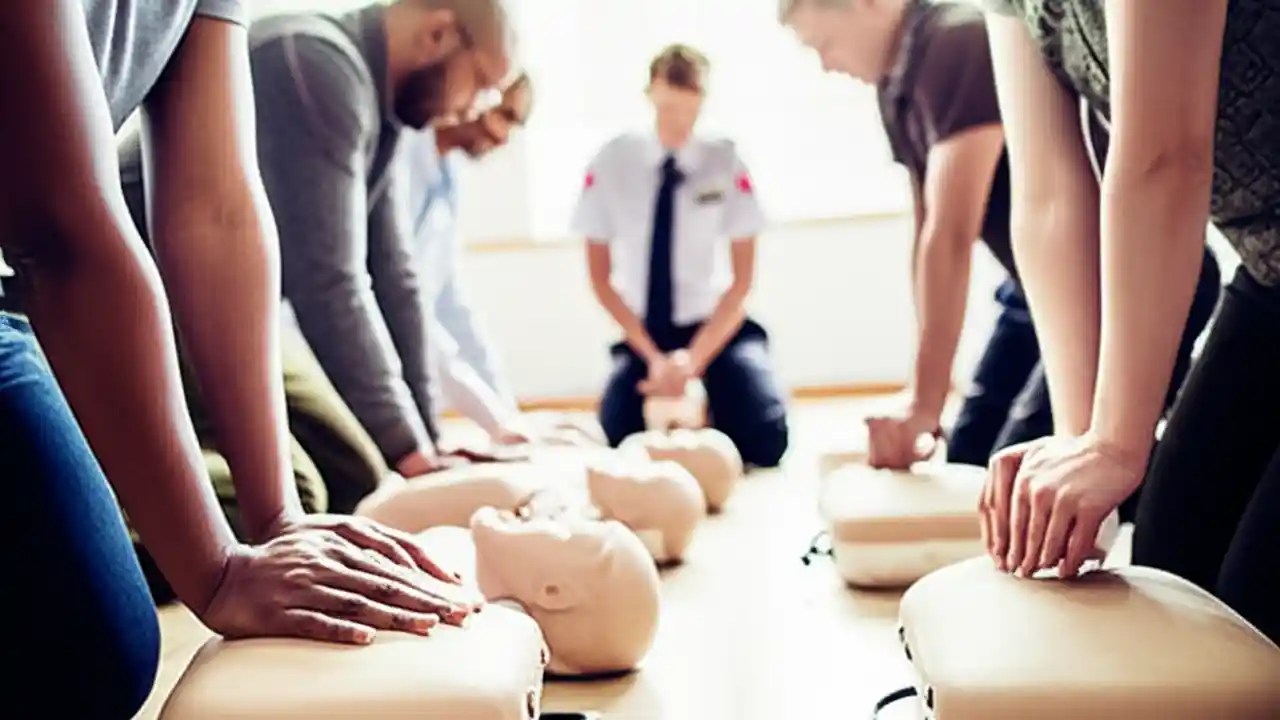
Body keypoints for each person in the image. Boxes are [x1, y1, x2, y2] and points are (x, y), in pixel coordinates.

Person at [0, 2, 475, 717]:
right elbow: (58, 231)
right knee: (83, 644)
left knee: (94, 650)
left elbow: (215, 207)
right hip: (54, 271)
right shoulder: (317, 65)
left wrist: (276, 518)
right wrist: (216, 569)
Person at [777, 0, 1220, 475]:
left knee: (1030, 477)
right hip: (1033, 294)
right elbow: (927, 231)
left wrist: (925, 404)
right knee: (970, 459)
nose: (826, 64)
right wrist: (922, 392)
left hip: (1119, 286)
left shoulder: (955, 41)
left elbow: (951, 235)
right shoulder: (895, 84)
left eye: (824, 44)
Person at [976, 0, 1280, 644]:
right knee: (1177, 558)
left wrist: (1118, 442)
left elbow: (1165, 154)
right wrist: (1077, 439)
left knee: (1260, 598)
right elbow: (1049, 196)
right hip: (1270, 269)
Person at [118, 0, 518, 484]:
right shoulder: (313, 62)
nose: (473, 109)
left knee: (360, 464)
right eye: (481, 85)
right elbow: (330, 282)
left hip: (209, 310)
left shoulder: (376, 101)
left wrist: (424, 440)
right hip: (140, 299)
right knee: (327, 478)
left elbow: (395, 277)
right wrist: (410, 456)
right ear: (439, 34)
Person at [573, 44, 790, 468]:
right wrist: (655, 359)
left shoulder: (725, 160)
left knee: (766, 439)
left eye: (688, 108)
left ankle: (711, 414)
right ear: (650, 94)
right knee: (615, 435)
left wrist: (693, 361)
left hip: (713, 329)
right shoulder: (613, 160)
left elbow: (742, 282)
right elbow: (600, 279)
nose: (677, 120)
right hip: (645, 334)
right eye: (668, 107)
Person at [398, 73, 535, 447]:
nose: (504, 136)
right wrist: (490, 418)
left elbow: (449, 305)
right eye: (504, 115)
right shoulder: (399, 157)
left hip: (410, 367)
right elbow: (399, 301)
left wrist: (507, 415)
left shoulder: (448, 178)